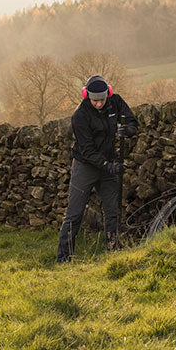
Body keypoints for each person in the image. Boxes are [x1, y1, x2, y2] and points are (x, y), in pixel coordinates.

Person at [56, 74, 138, 261]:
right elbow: (87, 150)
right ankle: (63, 258)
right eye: (95, 101)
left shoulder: (115, 102)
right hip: (85, 167)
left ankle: (113, 251)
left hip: (108, 163)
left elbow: (132, 121)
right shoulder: (80, 116)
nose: (99, 104)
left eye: (102, 100)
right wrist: (108, 167)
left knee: (111, 210)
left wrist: (129, 130)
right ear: (87, 96)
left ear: (108, 94)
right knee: (74, 213)